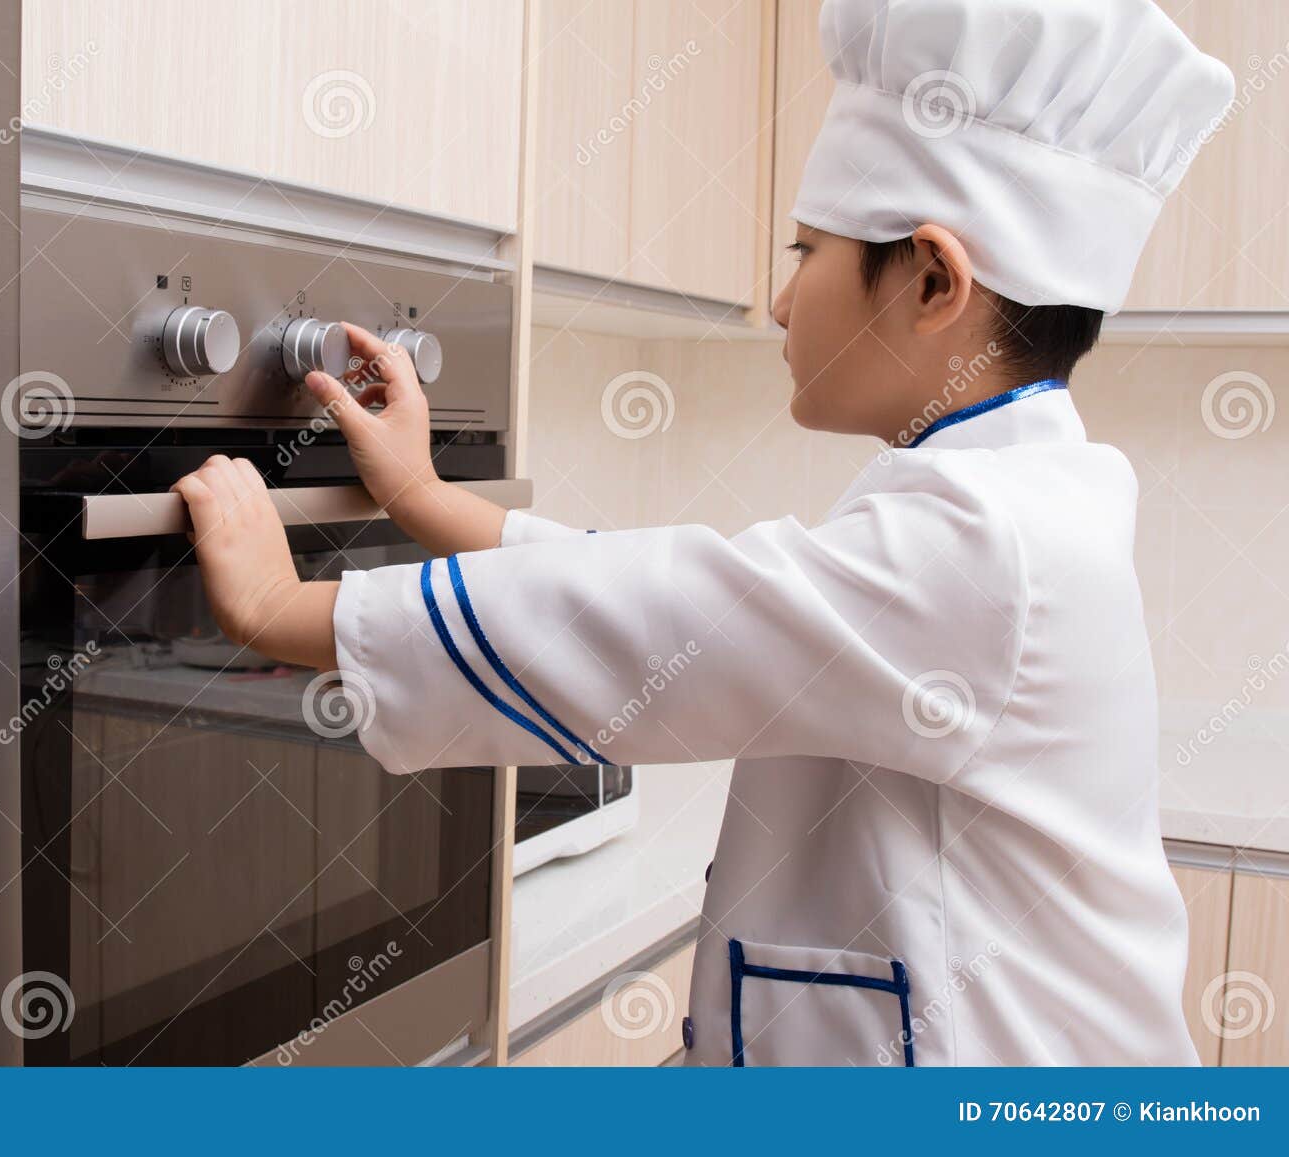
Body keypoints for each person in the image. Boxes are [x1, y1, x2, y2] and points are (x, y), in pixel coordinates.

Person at [171, 0, 1235, 1065]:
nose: (778, 301)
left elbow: (672, 614)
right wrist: (418, 493)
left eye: (805, 250)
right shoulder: (1012, 496)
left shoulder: (991, 540)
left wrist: (284, 607)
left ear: (930, 280)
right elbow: (714, 601)